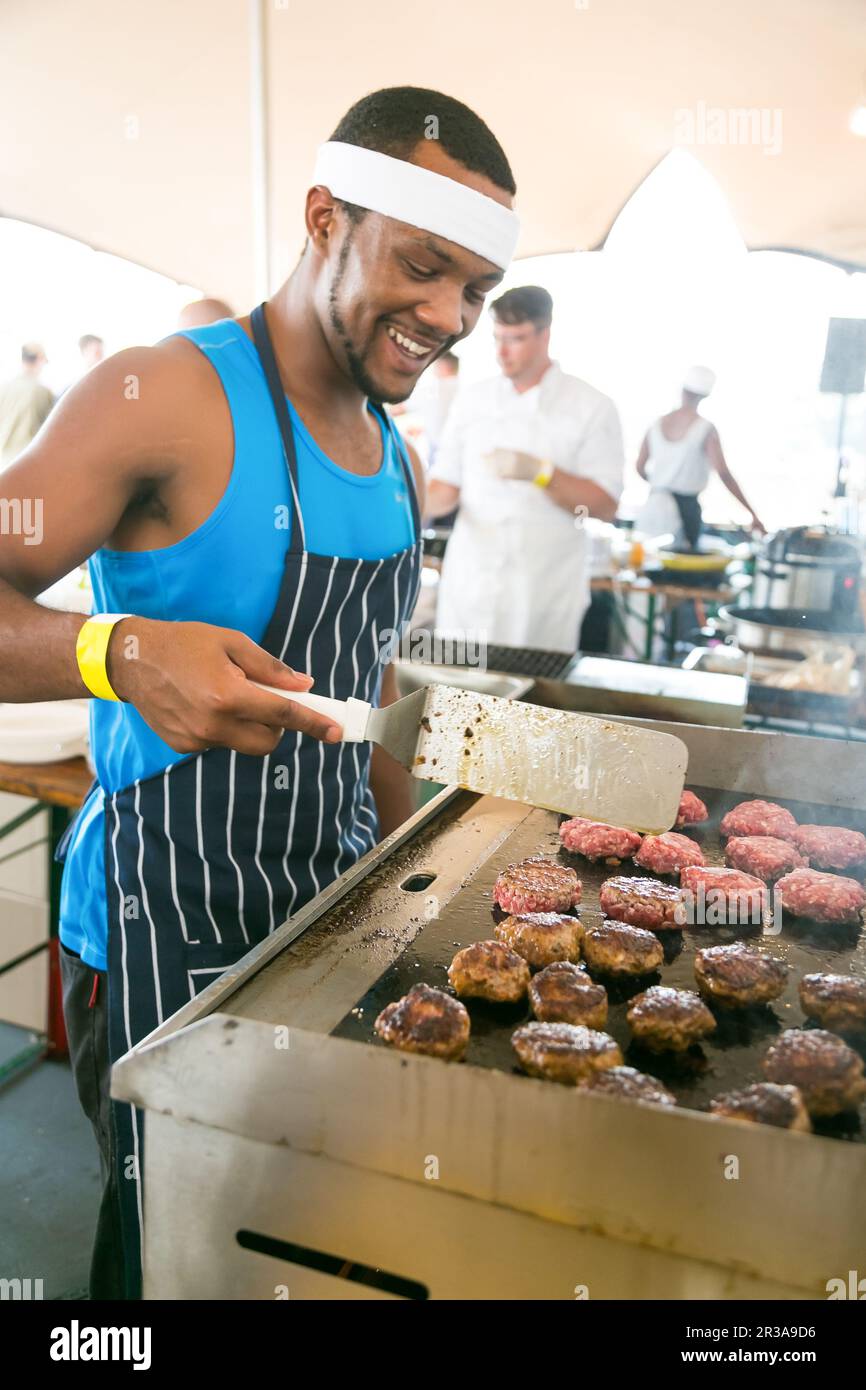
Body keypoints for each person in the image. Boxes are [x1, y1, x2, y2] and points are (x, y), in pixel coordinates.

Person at [0, 85, 518, 1299]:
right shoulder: (167, 394)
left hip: (326, 924)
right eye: (425, 266)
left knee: (279, 1255)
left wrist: (438, 898)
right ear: (325, 216)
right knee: (166, 1262)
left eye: (475, 294)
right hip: (160, 929)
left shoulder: (398, 455)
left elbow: (367, 693)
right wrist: (115, 651)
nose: (446, 316)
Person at [425, 286, 624, 652]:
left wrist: (542, 473)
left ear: (544, 333)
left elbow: (603, 507)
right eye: (497, 338)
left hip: (542, 594)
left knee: (534, 703)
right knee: (455, 695)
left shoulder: (591, 406)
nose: (502, 352)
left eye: (515, 339)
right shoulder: (473, 400)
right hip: (470, 587)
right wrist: (403, 503)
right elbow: (445, 487)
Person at [634, 365, 765, 546]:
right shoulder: (705, 429)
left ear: (682, 389)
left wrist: (661, 484)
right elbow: (724, 474)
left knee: (645, 561)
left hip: (651, 508)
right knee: (677, 569)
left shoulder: (656, 424)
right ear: (705, 396)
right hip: (684, 513)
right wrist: (753, 514)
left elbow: (639, 467)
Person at [0, 342, 54, 468]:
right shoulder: (41, 391)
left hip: (3, 461)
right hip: (27, 461)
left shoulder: (4, 388)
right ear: (40, 359)